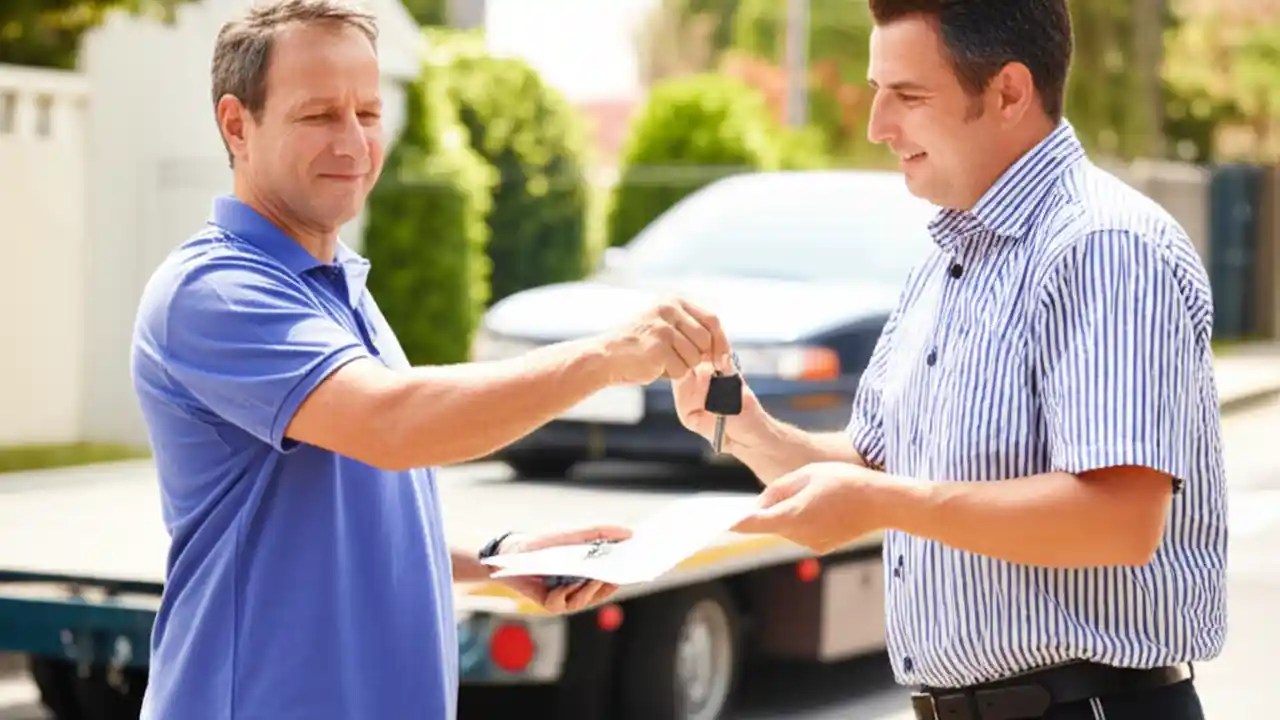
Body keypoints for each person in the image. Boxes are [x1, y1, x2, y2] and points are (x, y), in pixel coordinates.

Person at [128, 1, 731, 718]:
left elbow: (340, 531)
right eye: (320, 115)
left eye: (368, 113)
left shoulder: (338, 287)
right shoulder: (215, 291)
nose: (353, 141)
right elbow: (394, 424)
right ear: (237, 124)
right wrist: (607, 356)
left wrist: (502, 560)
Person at [675, 1, 1224, 719]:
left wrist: (883, 502)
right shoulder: (946, 262)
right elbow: (878, 472)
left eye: (908, 95)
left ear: (1008, 93)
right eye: (877, 91)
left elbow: (1119, 519)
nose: (878, 126)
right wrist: (748, 430)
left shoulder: (1104, 247)